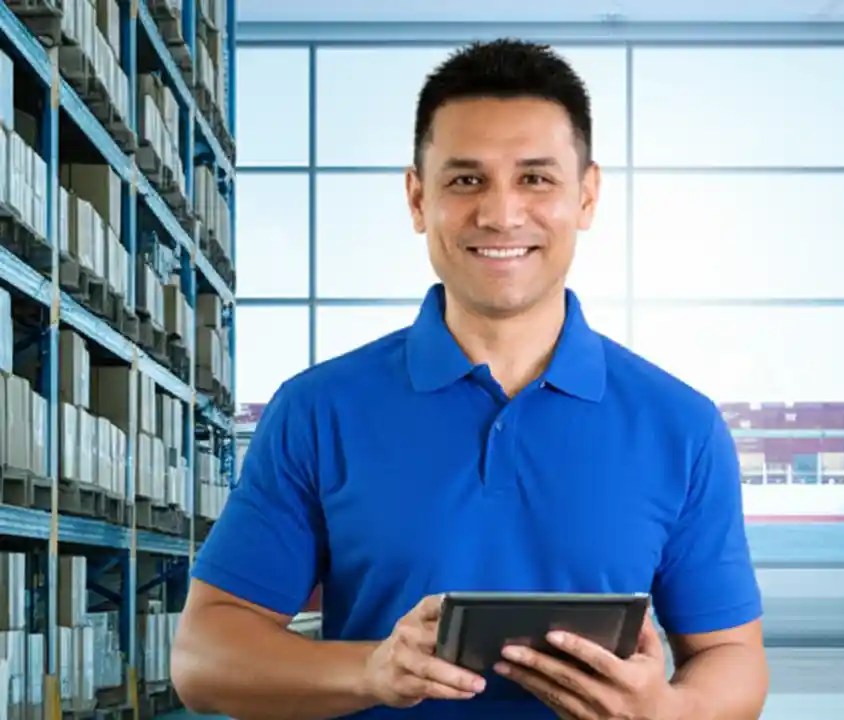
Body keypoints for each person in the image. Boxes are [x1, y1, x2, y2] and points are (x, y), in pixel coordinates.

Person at [171, 38, 769, 719]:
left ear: (587, 196)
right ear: (417, 198)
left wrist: (666, 712)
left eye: (535, 179)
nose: (501, 214)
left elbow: (732, 656)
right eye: (465, 180)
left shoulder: (681, 426)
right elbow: (203, 658)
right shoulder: (317, 411)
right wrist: (370, 670)